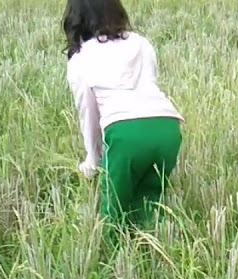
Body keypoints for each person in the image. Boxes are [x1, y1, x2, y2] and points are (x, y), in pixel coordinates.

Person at [64, 0, 184, 230]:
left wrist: (93, 158)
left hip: (125, 133)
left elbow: (88, 113)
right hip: (167, 127)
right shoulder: (141, 43)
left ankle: (113, 261)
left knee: (114, 213)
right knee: (149, 208)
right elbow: (150, 84)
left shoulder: (80, 59)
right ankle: (150, 255)